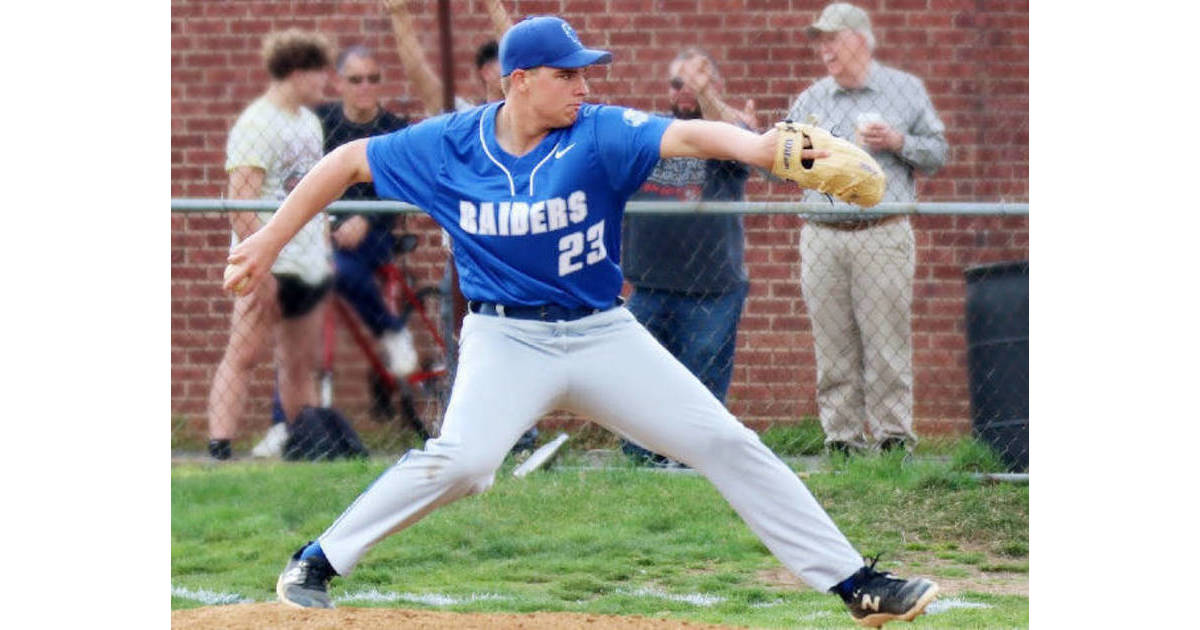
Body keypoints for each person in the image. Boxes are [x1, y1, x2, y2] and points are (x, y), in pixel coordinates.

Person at [229, 16, 939, 626]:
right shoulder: (450, 145)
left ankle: (856, 584)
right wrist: (265, 239)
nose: (583, 85)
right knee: (467, 462)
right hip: (506, 337)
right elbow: (348, 161)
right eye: (567, 74)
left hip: (602, 332)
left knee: (723, 440)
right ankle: (315, 562)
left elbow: (689, 138)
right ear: (520, 80)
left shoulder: (598, 134)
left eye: (585, 73)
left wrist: (759, 149)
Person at [787, 2, 948, 456]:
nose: (825, 51)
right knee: (833, 344)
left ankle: (894, 439)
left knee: (886, 343)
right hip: (822, 234)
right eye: (820, 42)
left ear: (859, 39)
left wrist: (898, 142)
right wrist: (776, 147)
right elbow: (783, 162)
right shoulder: (812, 99)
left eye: (832, 39)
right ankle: (842, 440)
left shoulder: (905, 90)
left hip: (883, 231)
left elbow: (937, 153)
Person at [385, 0, 543, 453]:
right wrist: (399, 16)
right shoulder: (465, 125)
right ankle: (468, 439)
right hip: (469, 262)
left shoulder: (538, 123)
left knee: (528, 347)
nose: (504, 79)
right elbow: (422, 80)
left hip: (526, 260)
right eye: (494, 72)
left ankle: (522, 434)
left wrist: (493, 6)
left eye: (511, 71)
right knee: (468, 349)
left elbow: (527, 50)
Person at [253, 45, 419, 458]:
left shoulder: (392, 127)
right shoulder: (321, 123)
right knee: (297, 314)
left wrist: (367, 217)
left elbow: (401, 186)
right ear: (340, 83)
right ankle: (284, 422)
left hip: (375, 236)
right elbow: (301, 179)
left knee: (341, 269)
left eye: (373, 79)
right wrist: (324, 223)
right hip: (319, 234)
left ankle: (390, 328)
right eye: (356, 79)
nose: (365, 88)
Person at [618, 48, 757, 467]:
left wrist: (707, 96)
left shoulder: (728, 133)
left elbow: (749, 144)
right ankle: (643, 463)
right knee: (643, 381)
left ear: (715, 88)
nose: (685, 91)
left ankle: (698, 462)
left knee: (702, 384)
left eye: (696, 83)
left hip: (712, 291)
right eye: (677, 83)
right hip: (649, 286)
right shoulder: (650, 134)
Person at [205, 29, 335, 461]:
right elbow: (242, 202)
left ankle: (301, 445)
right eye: (319, 75)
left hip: (308, 263)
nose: (324, 85)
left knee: (299, 363)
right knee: (244, 353)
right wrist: (259, 267)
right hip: (269, 262)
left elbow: (316, 194)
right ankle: (219, 447)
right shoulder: (257, 124)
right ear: (297, 73)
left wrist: (324, 254)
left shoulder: (309, 123)